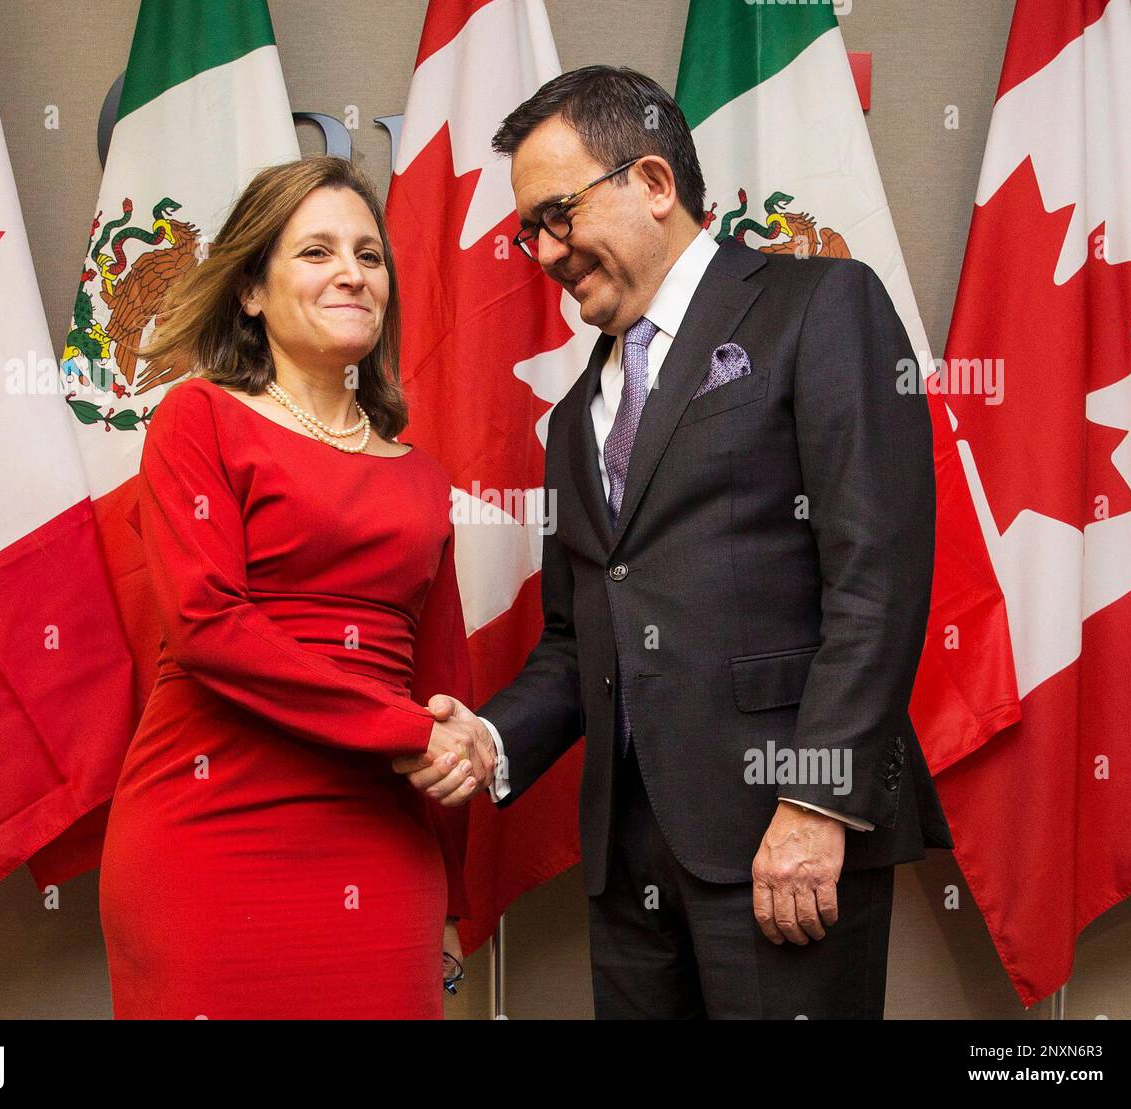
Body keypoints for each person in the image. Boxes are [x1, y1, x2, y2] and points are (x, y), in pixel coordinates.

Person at [398, 66, 952, 1019]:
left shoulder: (822, 305)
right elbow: (580, 637)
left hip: (784, 841)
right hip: (628, 864)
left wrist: (817, 804)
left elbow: (878, 576)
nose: (544, 251)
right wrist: (490, 739)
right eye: (528, 230)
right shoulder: (575, 416)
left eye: (558, 214)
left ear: (653, 182)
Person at [98, 156, 483, 1019]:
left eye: (369, 254)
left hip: (381, 846)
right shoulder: (197, 418)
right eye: (315, 251)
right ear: (251, 293)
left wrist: (454, 897)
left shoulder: (424, 478)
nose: (352, 271)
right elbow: (208, 625)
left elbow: (444, 686)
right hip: (207, 835)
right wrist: (408, 728)